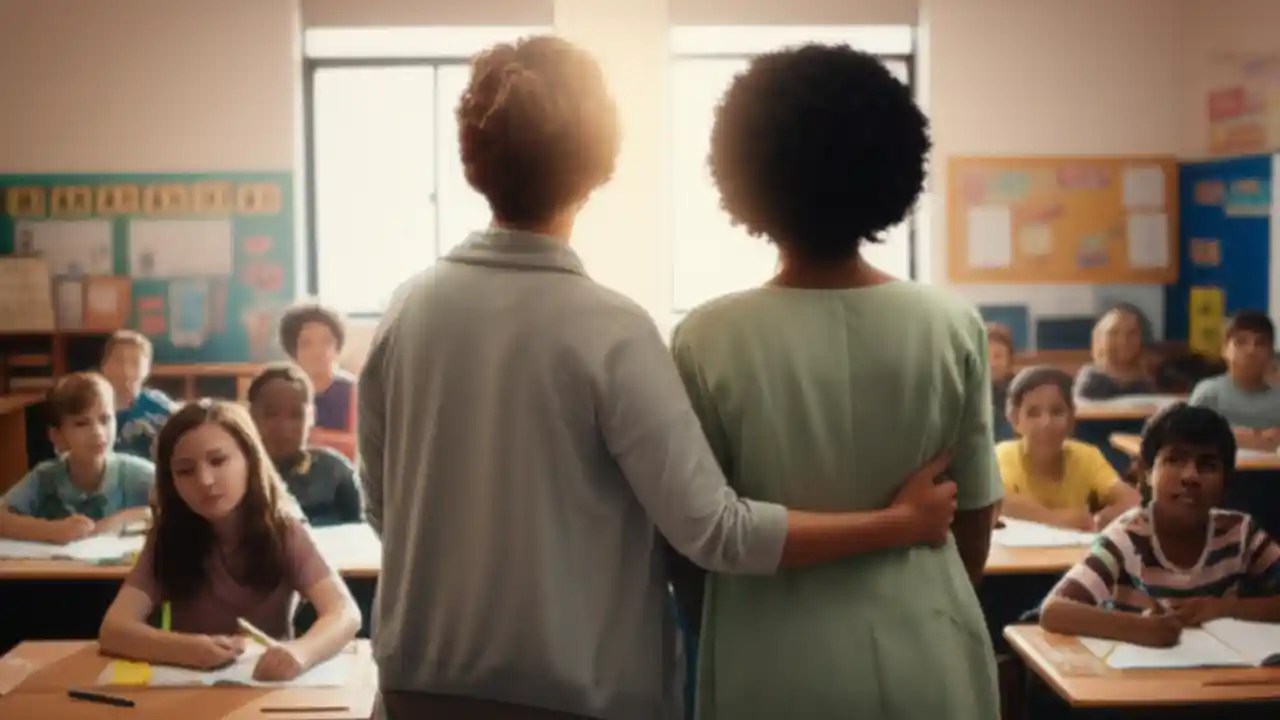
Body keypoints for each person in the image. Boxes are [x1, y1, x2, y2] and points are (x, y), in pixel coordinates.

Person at [358, 36, 958, 720]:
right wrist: (898, 523)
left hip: (413, 690)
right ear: (598, 170)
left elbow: (383, 509)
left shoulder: (407, 309)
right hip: (572, 696)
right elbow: (713, 531)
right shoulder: (609, 328)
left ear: (472, 160)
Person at [669, 45, 1001, 719]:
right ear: (891, 168)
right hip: (925, 642)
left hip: (767, 653)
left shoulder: (707, 338)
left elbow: (692, 541)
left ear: (747, 175)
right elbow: (973, 523)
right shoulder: (951, 325)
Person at [98, 401, 361, 680]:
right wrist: (187, 649)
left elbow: (345, 612)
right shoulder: (167, 537)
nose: (205, 480)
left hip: (267, 686)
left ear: (250, 459)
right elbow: (114, 629)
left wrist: (301, 652)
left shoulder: (285, 531)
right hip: (188, 688)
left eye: (218, 461)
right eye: (185, 471)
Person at [1040, 403, 1280, 647]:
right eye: (1174, 460)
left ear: (1226, 482)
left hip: (1223, 667)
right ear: (1146, 472)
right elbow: (1053, 611)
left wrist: (1223, 608)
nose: (1190, 476)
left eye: (1208, 465)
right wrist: (1140, 628)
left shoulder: (1240, 533)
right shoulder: (1128, 537)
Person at [0, 372, 154, 543]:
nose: (97, 432)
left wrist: (124, 519)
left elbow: (175, 508)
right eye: (81, 423)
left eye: (105, 419)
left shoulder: (139, 474)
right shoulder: (45, 477)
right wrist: (53, 530)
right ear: (57, 435)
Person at [997, 367, 1140, 531]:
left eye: (1057, 412)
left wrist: (1101, 519)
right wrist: (1058, 519)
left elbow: (1132, 500)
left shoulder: (1085, 456)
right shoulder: (1004, 455)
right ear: (1015, 419)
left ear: (1072, 418)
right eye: (1033, 413)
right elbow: (1000, 501)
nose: (1046, 423)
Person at [248, 363, 364, 527]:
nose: (284, 427)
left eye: (296, 415)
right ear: (250, 415)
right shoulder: (236, 474)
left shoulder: (335, 473)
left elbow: (359, 532)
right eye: (271, 414)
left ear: (311, 417)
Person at [1189, 311, 1280, 452]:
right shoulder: (1209, 393)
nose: (1251, 350)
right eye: (1241, 342)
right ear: (1224, 349)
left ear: (1271, 353)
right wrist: (1251, 439)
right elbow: (1189, 438)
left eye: (1260, 343)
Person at [278, 303, 356, 460]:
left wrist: (319, 438)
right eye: (307, 344)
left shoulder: (354, 390)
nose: (318, 351)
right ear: (293, 351)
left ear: (337, 347)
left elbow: (363, 446)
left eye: (326, 341)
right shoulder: (283, 392)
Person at [100, 330, 175, 460]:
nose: (126, 370)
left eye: (135, 363)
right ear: (104, 366)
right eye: (119, 361)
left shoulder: (162, 410)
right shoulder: (90, 408)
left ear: (147, 369)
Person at [1074, 305, 1155, 400]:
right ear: (1099, 337)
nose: (1123, 341)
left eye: (1132, 333)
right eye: (1114, 333)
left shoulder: (1147, 378)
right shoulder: (1091, 380)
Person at [988, 322, 1016, 441]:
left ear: (1009, 361)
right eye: (986, 356)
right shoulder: (966, 393)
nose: (992, 363)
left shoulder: (1020, 392)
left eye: (998, 356)